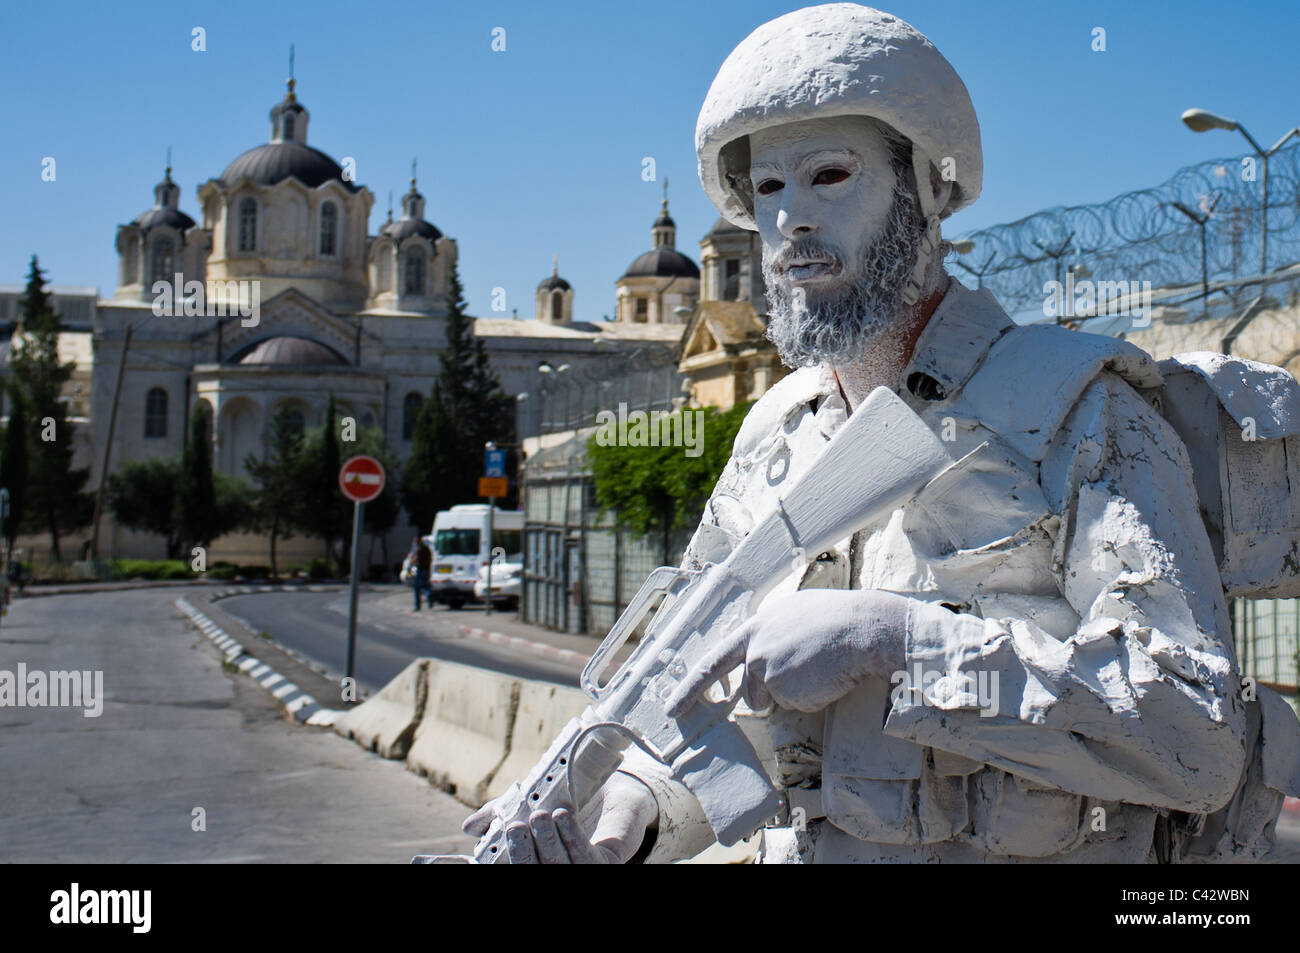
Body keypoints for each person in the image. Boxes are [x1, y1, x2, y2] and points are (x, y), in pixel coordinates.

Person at [468, 3, 1297, 864]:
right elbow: (744, 717)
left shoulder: (1080, 413)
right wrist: (639, 806)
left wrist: (893, 639)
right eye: (769, 189)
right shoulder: (773, 439)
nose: (790, 220)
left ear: (931, 189)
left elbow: (1193, 735)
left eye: (829, 174)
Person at [411, 537, 433, 611]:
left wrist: (413, 560)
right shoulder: (427, 549)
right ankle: (429, 595)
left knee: (417, 588)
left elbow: (414, 560)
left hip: (420, 570)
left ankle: (418, 605)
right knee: (424, 585)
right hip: (426, 569)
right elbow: (430, 559)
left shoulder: (419, 550)